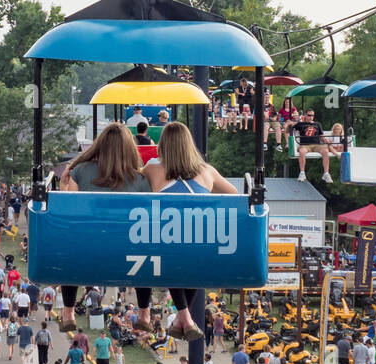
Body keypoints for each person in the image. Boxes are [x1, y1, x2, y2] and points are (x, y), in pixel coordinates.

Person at [143, 122, 239, 341]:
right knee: (194, 265)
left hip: (167, 232)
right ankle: (183, 318)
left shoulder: (153, 168)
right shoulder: (206, 171)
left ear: (163, 145)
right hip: (200, 234)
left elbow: (136, 187)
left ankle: (183, 317)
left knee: (170, 261)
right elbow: (233, 194)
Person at [56, 124, 154, 331]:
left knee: (70, 247)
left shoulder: (81, 171)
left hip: (88, 249)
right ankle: (144, 312)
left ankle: (68, 311)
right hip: (128, 251)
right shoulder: (141, 180)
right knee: (146, 250)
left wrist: (62, 186)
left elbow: (70, 210)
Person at [291, 109, 332, 182]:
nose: (311, 117)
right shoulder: (301, 124)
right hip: (305, 145)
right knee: (302, 152)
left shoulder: (317, 124)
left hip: (316, 145)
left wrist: (326, 140)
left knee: (325, 151)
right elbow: (290, 129)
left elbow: (321, 136)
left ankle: (326, 173)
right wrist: (290, 123)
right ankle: (302, 172)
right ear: (305, 116)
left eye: (312, 115)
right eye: (309, 115)